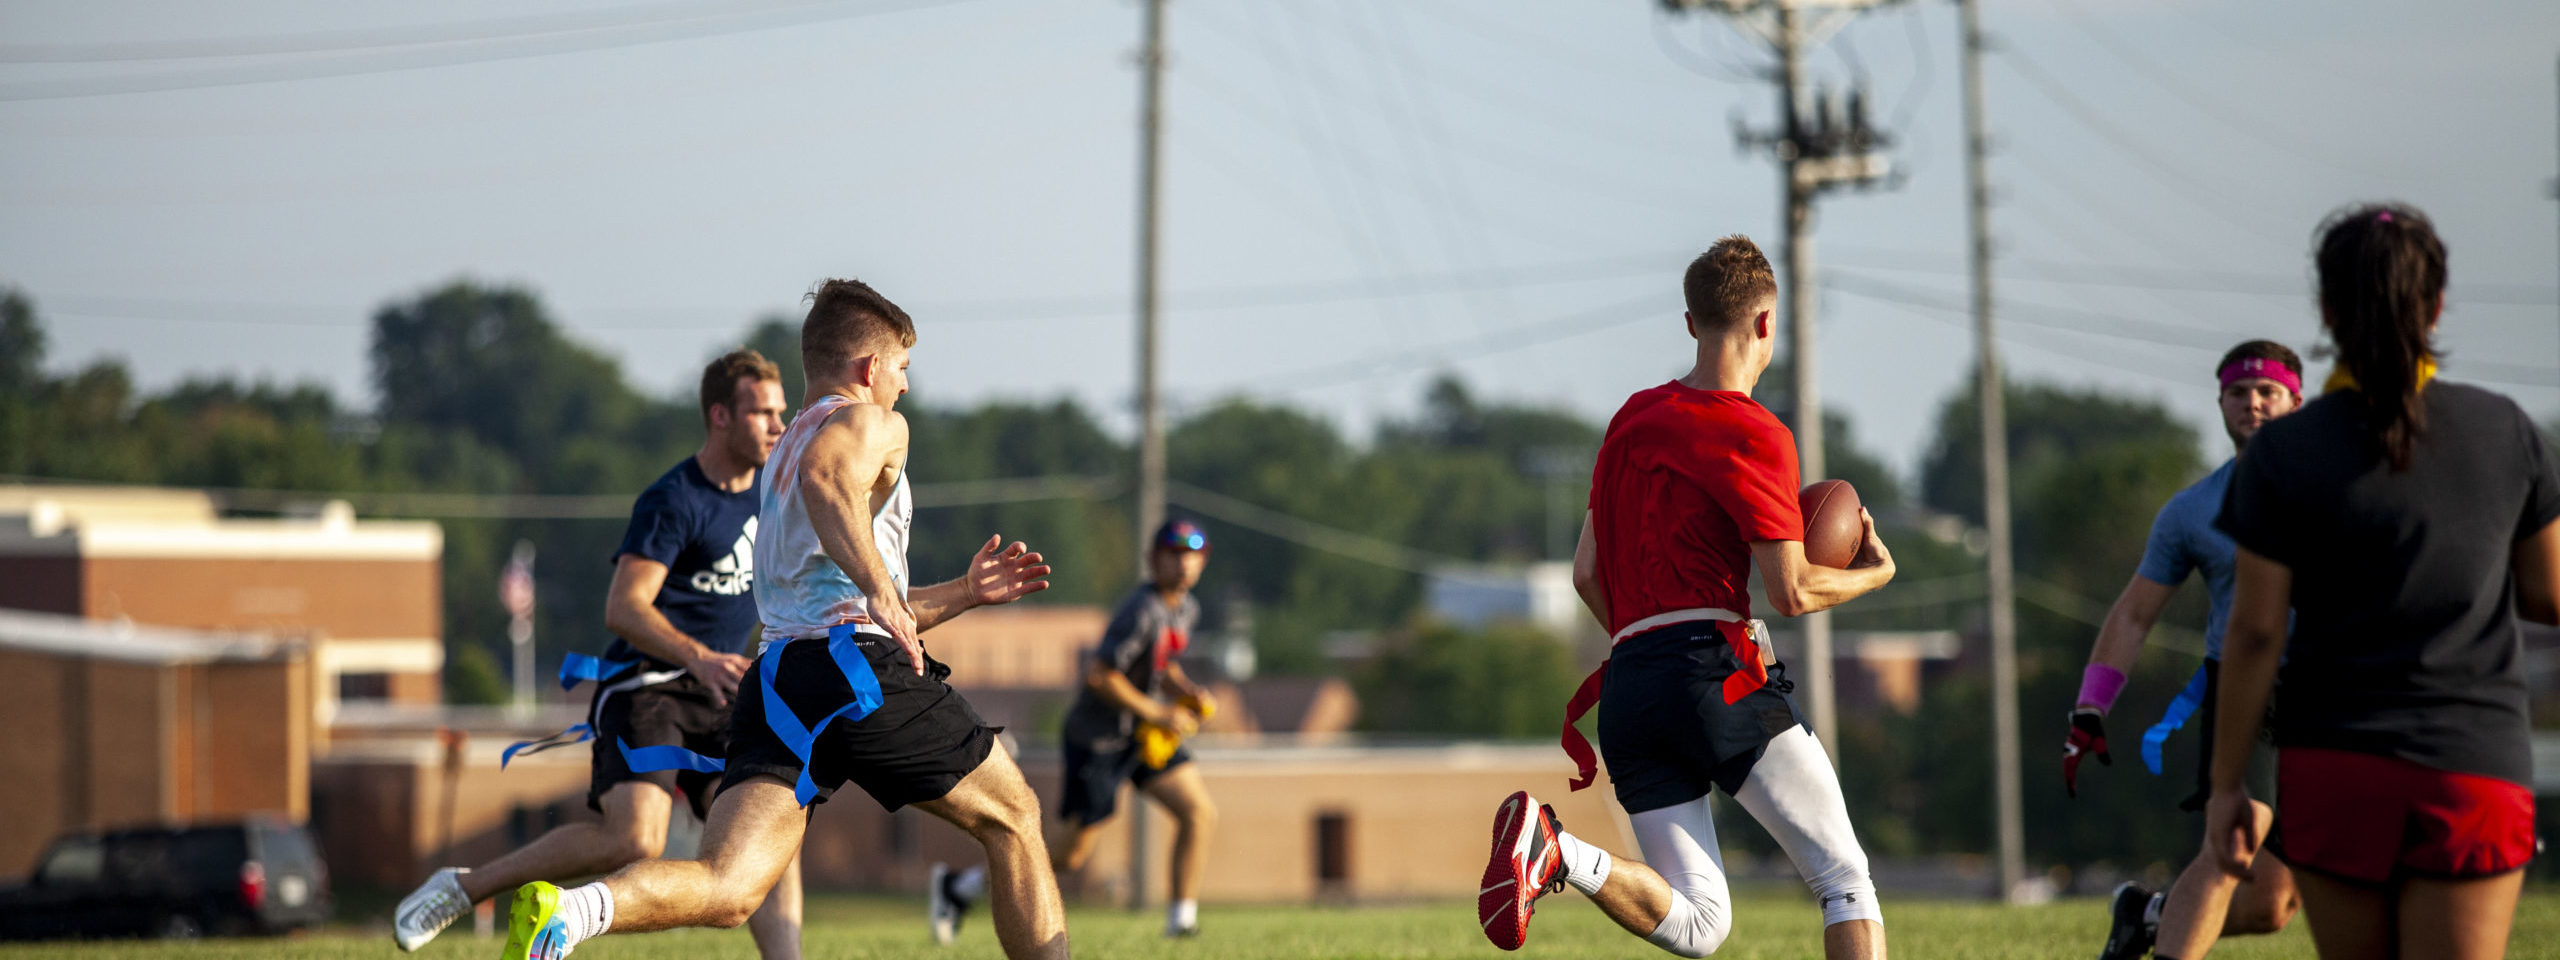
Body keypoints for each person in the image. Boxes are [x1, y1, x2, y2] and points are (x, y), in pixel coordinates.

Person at [496, 279, 1070, 960]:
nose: (906, 389)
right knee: (1015, 816)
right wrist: (879, 588)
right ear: (869, 368)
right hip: (852, 671)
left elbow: (833, 599)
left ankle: (572, 911)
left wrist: (963, 593)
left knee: (729, 887)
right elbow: (831, 489)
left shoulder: (781, 452)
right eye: (902, 370)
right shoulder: (868, 424)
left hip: (781, 680)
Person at [1477, 235, 1896, 960]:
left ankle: (1558, 851)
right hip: (1710, 673)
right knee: (1843, 878)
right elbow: (1790, 590)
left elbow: (1585, 574)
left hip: (1631, 685)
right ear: (1767, 323)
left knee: (1702, 926)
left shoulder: (1629, 421)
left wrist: (1654, 648)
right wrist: (1875, 572)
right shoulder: (1755, 431)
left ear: (1690, 322)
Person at [2209, 203, 2558, 960]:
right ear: (2435, 305)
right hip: (2474, 765)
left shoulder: (2284, 452)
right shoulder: (2506, 430)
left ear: (2328, 311)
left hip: (2335, 767)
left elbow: (2258, 630)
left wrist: (2227, 784)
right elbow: (2549, 595)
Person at [396, 349, 802, 957]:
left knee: (765, 833)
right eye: (761, 412)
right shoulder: (675, 499)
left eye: (781, 412)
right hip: (649, 685)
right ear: (719, 415)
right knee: (635, 839)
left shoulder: (772, 496)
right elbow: (625, 607)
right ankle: (464, 888)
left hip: (722, 693)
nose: (777, 425)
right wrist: (697, 656)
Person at [2068, 340, 2304, 960]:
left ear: (2296, 401)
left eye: (2267, 392)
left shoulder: (2346, 490)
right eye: (2238, 393)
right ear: (2221, 403)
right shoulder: (2194, 509)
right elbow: (2135, 613)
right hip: (2247, 691)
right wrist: (2091, 707)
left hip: (2336, 696)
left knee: (2272, 905)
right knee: (2236, 835)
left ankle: (2146, 915)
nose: (2252, 403)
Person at [1007, 518, 1219, 941]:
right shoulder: (1141, 609)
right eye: (1173, 554)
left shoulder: (1186, 609)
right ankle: (966, 886)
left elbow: (1161, 665)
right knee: (1071, 855)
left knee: (1198, 813)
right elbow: (1101, 676)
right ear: (1153, 559)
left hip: (1138, 737)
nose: (1183, 564)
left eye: (1191, 555)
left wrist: (1188, 692)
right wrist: (1159, 713)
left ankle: (1181, 920)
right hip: (1098, 739)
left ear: (1203, 562)